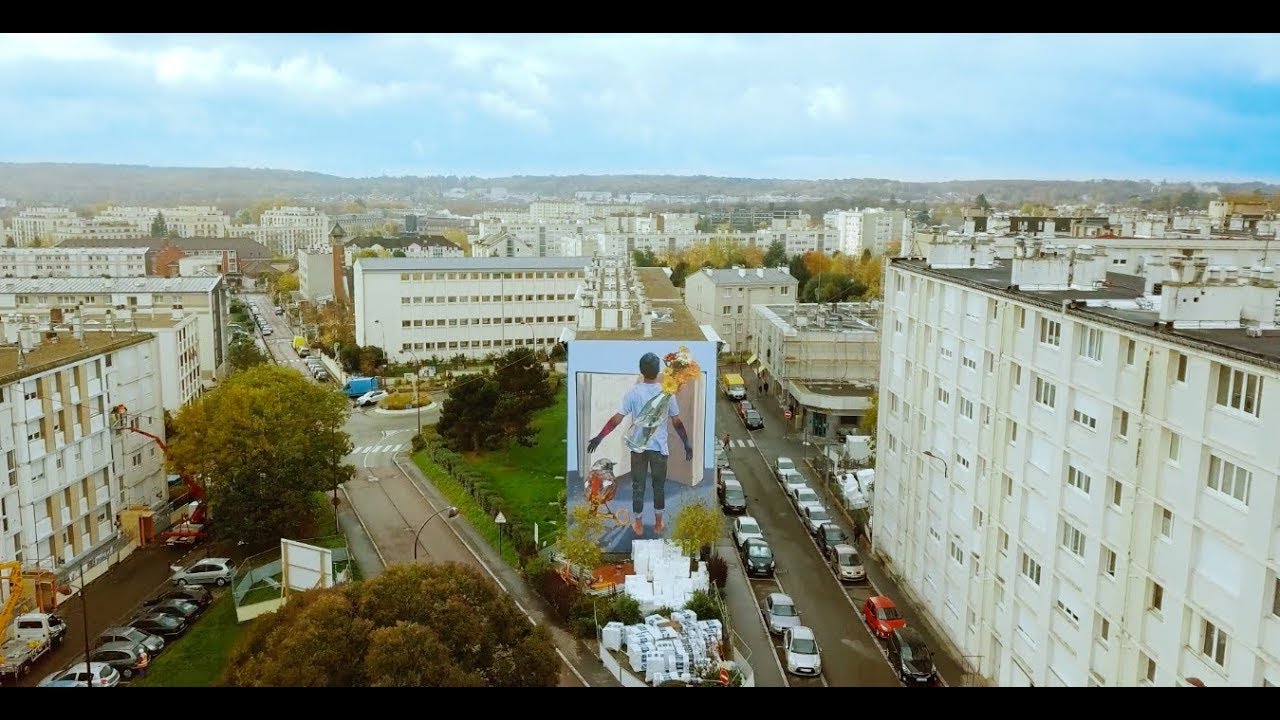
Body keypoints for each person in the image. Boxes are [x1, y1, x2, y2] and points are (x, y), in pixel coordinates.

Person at [586, 352, 693, 536]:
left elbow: (616, 420)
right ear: (658, 370)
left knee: (638, 487)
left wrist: (599, 437)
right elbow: (677, 422)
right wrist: (686, 443)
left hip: (638, 449)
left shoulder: (633, 393)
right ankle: (659, 523)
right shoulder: (667, 394)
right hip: (659, 449)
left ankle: (638, 524)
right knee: (658, 487)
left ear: (641, 371)